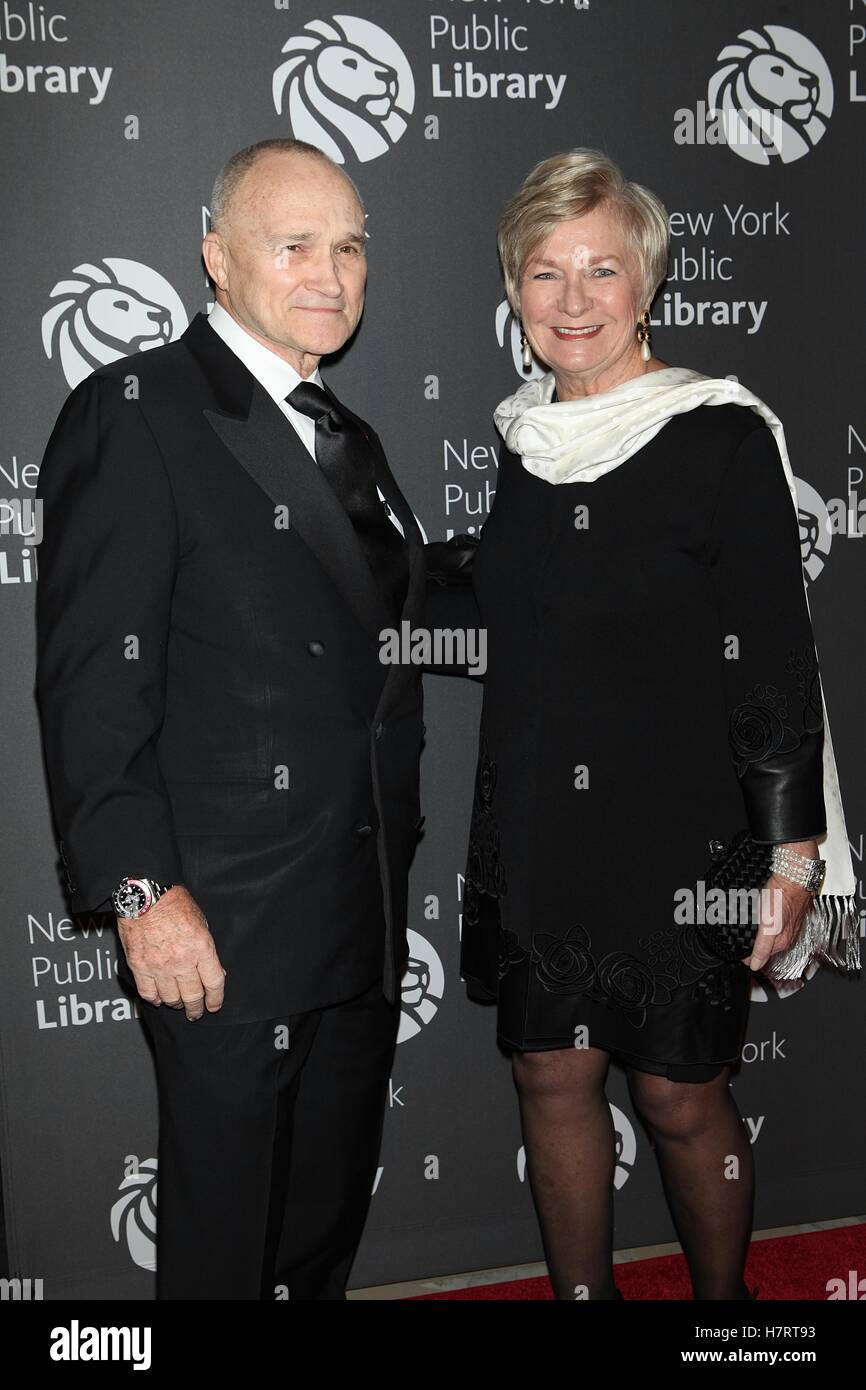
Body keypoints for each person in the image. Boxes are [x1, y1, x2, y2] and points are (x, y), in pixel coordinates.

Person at [457, 149, 859, 1301]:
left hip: (688, 839)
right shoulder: (526, 440)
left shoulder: (718, 436)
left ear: (645, 285)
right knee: (551, 1078)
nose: (572, 300)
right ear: (514, 290)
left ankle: (720, 1316)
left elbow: (776, 661)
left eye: (599, 270)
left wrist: (789, 858)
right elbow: (493, 607)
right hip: (543, 828)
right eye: (544, 273)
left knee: (682, 1095)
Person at [35, 138, 429, 1300]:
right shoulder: (139, 410)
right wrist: (142, 897)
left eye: (349, 245)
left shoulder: (347, 435)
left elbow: (385, 623)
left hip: (356, 908)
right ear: (214, 256)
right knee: (220, 1246)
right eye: (292, 242)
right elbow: (92, 684)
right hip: (220, 927)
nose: (329, 272)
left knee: (317, 1230)